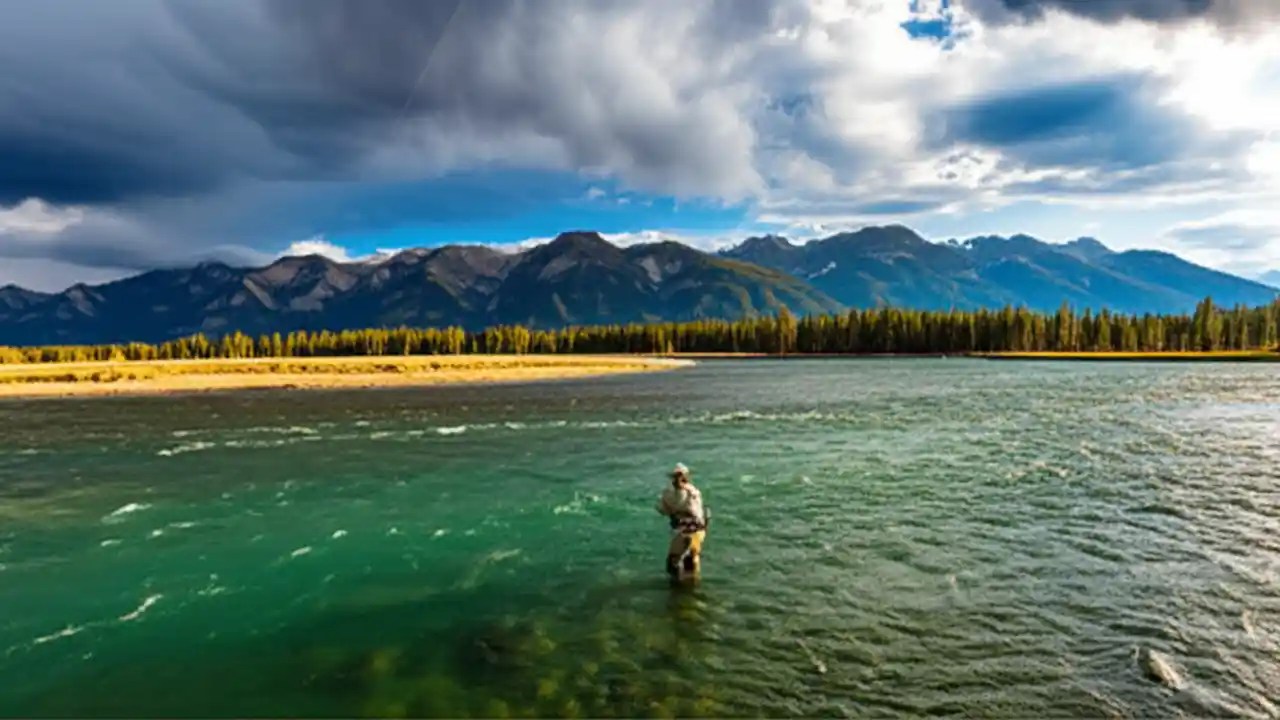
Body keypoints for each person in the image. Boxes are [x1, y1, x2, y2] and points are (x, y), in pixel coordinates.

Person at [655, 462, 707, 576]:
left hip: (682, 528)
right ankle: (693, 582)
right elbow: (698, 512)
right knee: (692, 558)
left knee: (673, 562)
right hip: (696, 528)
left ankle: (679, 585)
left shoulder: (667, 494)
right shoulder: (694, 492)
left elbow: (662, 509)